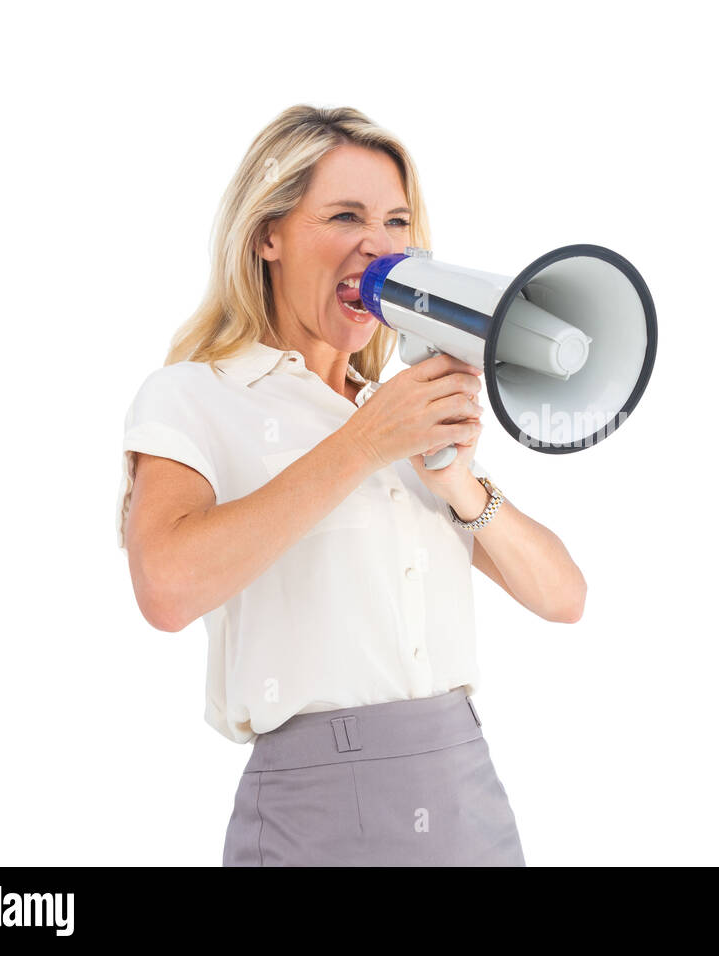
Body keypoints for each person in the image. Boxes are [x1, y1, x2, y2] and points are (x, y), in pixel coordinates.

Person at [115, 104, 586, 866]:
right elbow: (165, 587)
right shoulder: (194, 397)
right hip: (318, 811)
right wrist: (366, 444)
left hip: (468, 794)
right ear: (267, 235)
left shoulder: (396, 414)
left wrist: (457, 481)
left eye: (398, 222)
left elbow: (566, 598)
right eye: (344, 216)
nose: (380, 246)